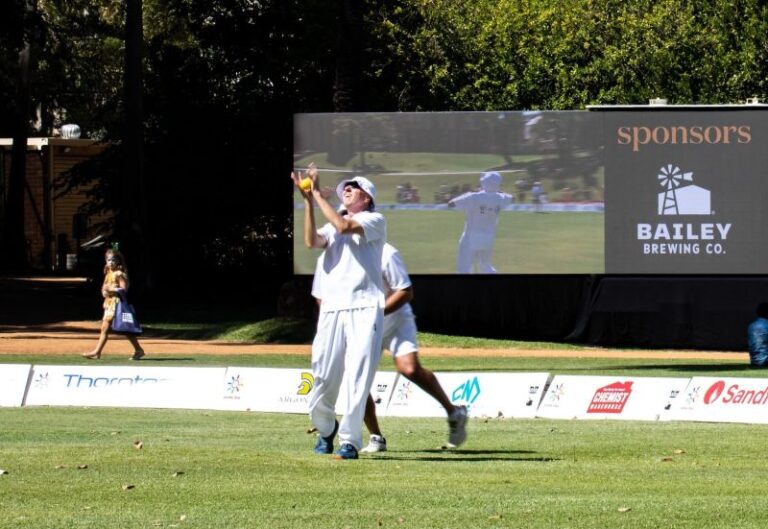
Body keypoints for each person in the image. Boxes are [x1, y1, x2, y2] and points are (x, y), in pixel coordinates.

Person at [291, 162, 387, 460]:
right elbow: (311, 241)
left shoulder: (374, 219)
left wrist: (318, 193)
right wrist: (308, 202)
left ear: (367, 197)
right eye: (345, 186)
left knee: (358, 375)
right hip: (333, 308)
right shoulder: (334, 220)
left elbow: (345, 227)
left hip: (364, 307)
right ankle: (326, 428)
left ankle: (349, 440)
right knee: (323, 374)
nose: (347, 189)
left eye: (354, 187)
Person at [357, 242, 467, 453]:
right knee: (358, 379)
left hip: (396, 320)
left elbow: (406, 292)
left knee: (409, 369)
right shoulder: (344, 254)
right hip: (364, 325)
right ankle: (376, 437)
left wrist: (377, 313)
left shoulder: (387, 253)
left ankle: (454, 413)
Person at [82, 247, 145, 360]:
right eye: (109, 260)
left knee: (110, 327)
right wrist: (104, 291)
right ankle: (138, 350)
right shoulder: (108, 272)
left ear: (118, 261)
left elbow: (124, 289)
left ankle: (97, 352)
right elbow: (104, 287)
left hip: (117, 304)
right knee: (114, 328)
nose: (111, 262)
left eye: (113, 260)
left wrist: (111, 289)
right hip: (109, 303)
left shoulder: (118, 274)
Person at [448, 171, 513, 274]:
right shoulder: (502, 198)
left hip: (471, 236)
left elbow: (451, 204)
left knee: (464, 266)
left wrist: (473, 195)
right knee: (486, 265)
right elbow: (511, 198)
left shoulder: (473, 197)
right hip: (488, 237)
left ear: (484, 183)